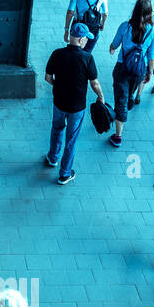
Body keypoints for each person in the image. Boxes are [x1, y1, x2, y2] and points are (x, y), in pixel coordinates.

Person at [43, 22, 107, 185]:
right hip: (77, 107)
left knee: (57, 128)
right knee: (71, 139)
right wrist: (100, 96)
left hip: (59, 102)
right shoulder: (87, 58)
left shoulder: (57, 54)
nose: (87, 41)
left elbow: (48, 78)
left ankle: (52, 158)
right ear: (80, 40)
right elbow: (94, 83)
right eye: (86, 38)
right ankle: (65, 173)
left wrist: (58, 86)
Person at [107, 0, 154, 147]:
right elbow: (151, 55)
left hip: (123, 68)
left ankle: (117, 137)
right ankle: (127, 102)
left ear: (134, 11)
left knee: (120, 100)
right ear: (150, 13)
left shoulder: (125, 27)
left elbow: (115, 44)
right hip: (139, 70)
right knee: (128, 94)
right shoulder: (152, 31)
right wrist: (149, 72)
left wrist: (112, 48)